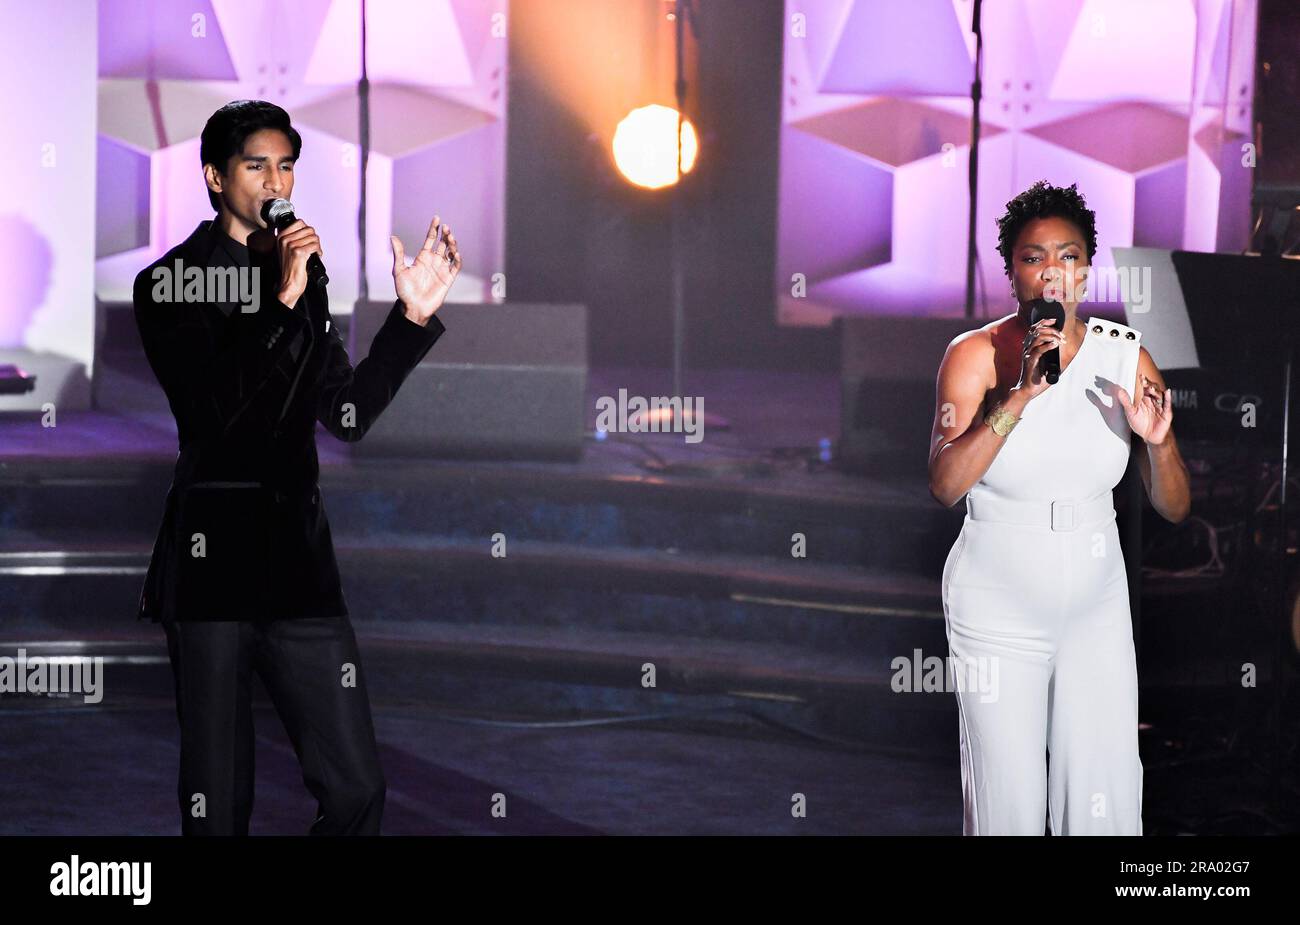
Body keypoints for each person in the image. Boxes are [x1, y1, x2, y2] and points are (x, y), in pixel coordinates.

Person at [132, 100, 463, 834]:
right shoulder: (171, 283)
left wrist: (408, 323)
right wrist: (280, 301)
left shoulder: (303, 278)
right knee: (218, 807)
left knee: (356, 788)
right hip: (212, 562)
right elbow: (216, 414)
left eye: (286, 165)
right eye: (257, 165)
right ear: (217, 178)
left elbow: (345, 415)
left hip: (297, 569)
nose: (276, 180)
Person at [927, 180, 1191, 835]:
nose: (1052, 271)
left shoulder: (1125, 354)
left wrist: (1158, 447)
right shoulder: (974, 354)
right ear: (1012, 268)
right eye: (1033, 256)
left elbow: (1177, 506)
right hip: (997, 593)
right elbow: (945, 483)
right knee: (1006, 803)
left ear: (1086, 267)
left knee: (1102, 796)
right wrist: (1019, 396)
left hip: (1094, 597)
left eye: (1068, 256)